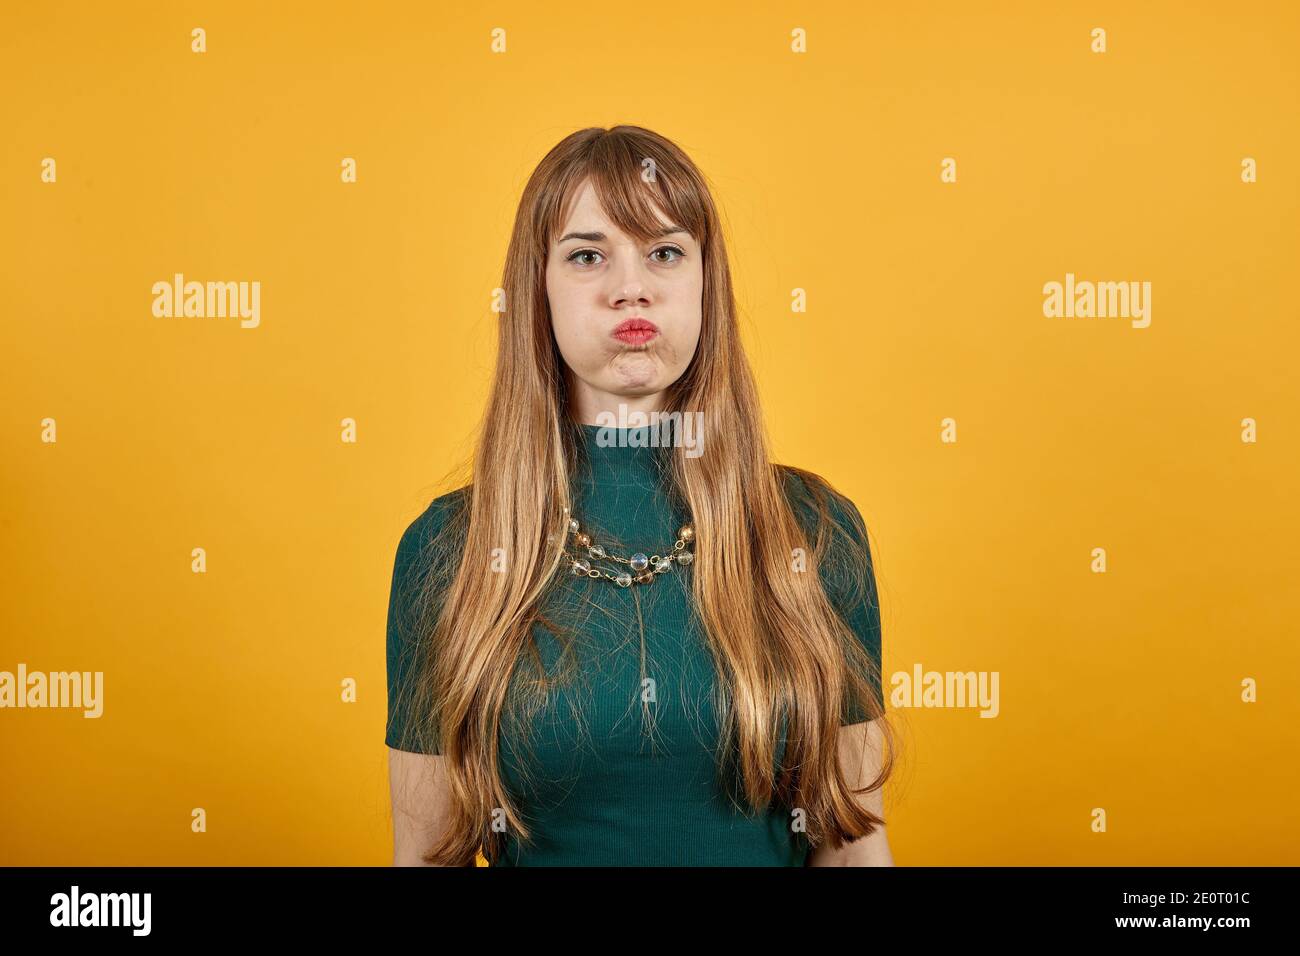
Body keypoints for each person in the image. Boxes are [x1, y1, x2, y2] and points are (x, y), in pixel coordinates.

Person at [386, 125, 898, 866]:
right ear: (538, 291)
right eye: (588, 255)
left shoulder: (815, 533)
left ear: (702, 284)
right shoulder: (448, 549)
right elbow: (425, 859)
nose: (631, 285)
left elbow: (854, 853)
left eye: (664, 251)